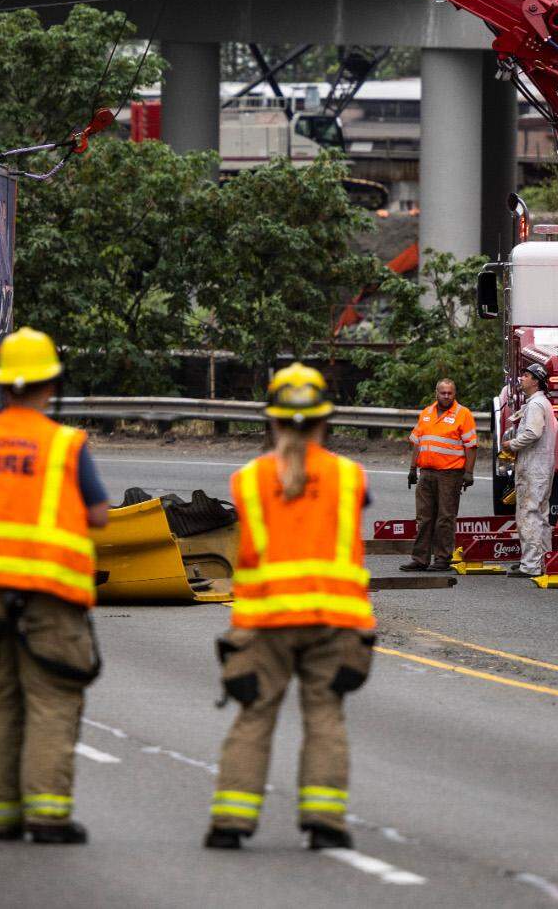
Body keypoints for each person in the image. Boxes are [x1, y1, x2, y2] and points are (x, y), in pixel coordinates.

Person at [0, 327, 113, 845]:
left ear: (2, 386)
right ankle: (47, 816)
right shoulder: (64, 445)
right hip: (48, 596)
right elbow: (100, 515)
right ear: (49, 384)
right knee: (51, 702)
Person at [207, 364, 375, 853]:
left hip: (267, 624)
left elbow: (253, 553)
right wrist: (364, 636)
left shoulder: (248, 481)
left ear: (274, 420)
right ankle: (324, 822)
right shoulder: (349, 477)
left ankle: (229, 824)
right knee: (325, 718)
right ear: (326, 419)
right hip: (334, 622)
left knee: (253, 717)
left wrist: (237, 637)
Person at [404, 377, 477, 571]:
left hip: (450, 474)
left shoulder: (463, 414)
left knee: (445, 517)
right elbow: (416, 443)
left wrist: (468, 473)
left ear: (455, 394)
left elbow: (471, 447)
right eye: (443, 392)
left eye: (450, 393)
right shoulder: (426, 413)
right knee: (423, 517)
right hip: (426, 473)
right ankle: (420, 559)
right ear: (436, 393)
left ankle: (442, 559)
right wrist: (412, 469)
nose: (446, 396)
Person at [503, 368, 556, 577]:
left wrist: (512, 445)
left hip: (534, 467)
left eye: (526, 376)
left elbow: (533, 432)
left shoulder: (535, 404)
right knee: (541, 515)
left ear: (535, 381)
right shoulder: (542, 403)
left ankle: (531, 565)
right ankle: (544, 560)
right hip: (542, 465)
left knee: (528, 514)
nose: (522, 379)